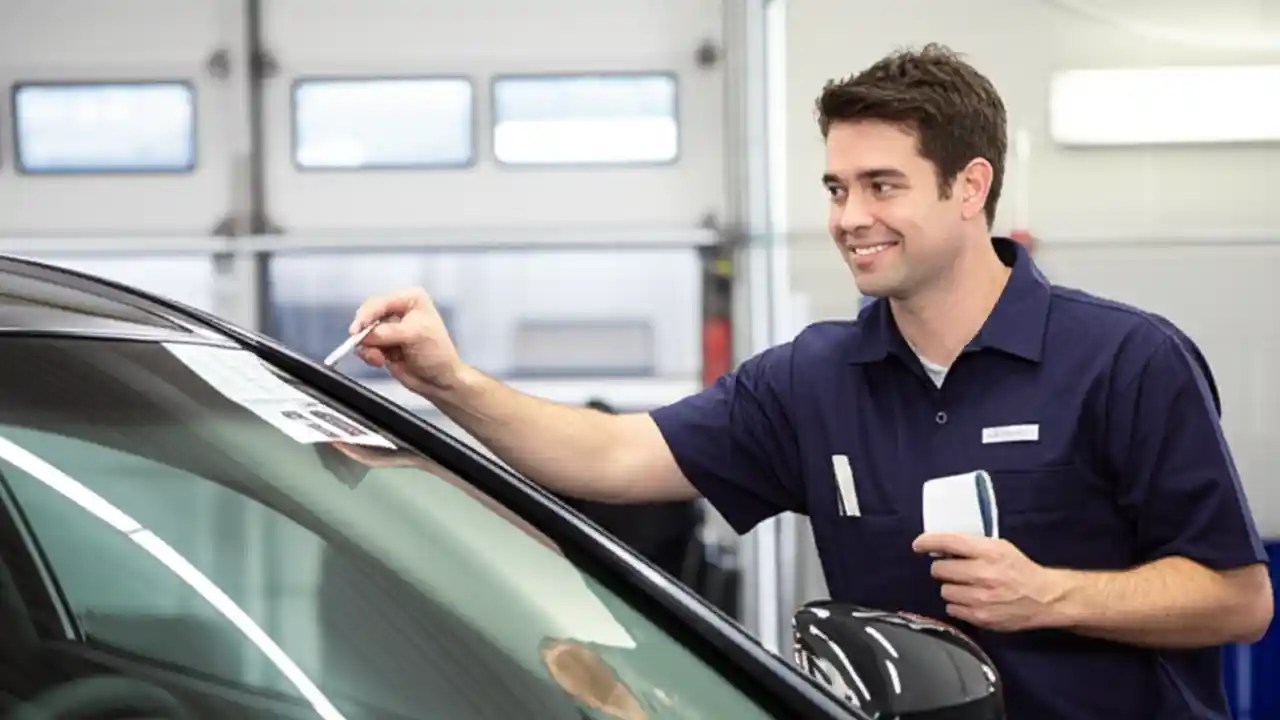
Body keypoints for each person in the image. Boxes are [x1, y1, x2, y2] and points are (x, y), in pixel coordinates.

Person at [344, 44, 1273, 720]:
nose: (850, 217)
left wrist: (1052, 597)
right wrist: (449, 381)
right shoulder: (815, 378)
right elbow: (615, 454)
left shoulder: (1125, 361)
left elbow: (1239, 599)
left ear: (969, 186)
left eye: (881, 185)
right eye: (835, 188)